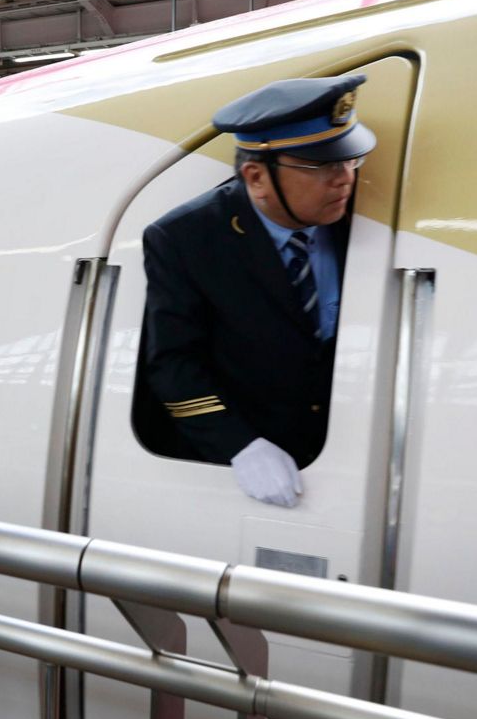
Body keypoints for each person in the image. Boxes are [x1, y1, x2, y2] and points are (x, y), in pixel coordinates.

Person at [138, 75, 376, 507]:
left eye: (350, 159)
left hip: (349, 460)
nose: (345, 179)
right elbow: (173, 365)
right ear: (256, 176)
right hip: (252, 472)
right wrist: (239, 445)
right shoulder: (187, 240)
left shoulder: (359, 219)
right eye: (323, 166)